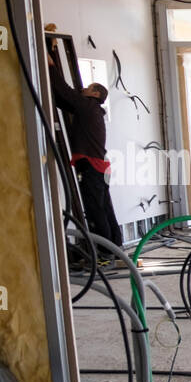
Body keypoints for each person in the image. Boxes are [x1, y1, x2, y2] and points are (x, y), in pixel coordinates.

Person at [48, 45, 120, 249]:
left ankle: (105, 253)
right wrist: (52, 52)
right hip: (99, 167)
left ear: (95, 93)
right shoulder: (92, 111)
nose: (83, 89)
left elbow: (64, 90)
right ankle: (115, 247)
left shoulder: (88, 107)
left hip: (91, 167)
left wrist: (51, 63)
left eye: (88, 88)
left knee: (96, 209)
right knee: (104, 207)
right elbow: (63, 99)